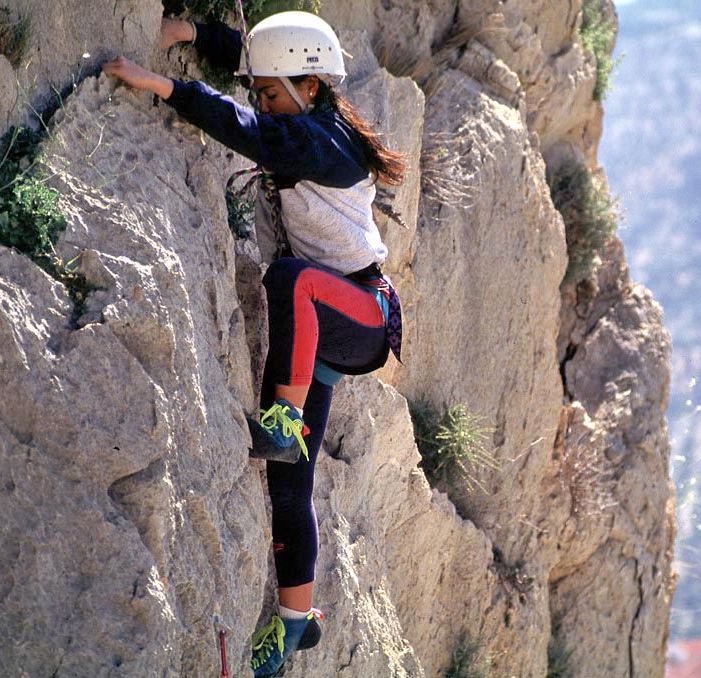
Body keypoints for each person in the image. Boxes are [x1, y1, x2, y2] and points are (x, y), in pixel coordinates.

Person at [103, 10, 405, 677]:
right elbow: (258, 60)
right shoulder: (310, 106)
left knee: (292, 278)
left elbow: (245, 128)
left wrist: (162, 85)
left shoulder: (320, 143)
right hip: (323, 328)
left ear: (311, 89)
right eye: (264, 90)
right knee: (288, 484)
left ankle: (285, 418)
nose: (262, 99)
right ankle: (297, 623)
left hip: (362, 314)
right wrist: (197, 37)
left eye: (273, 93)